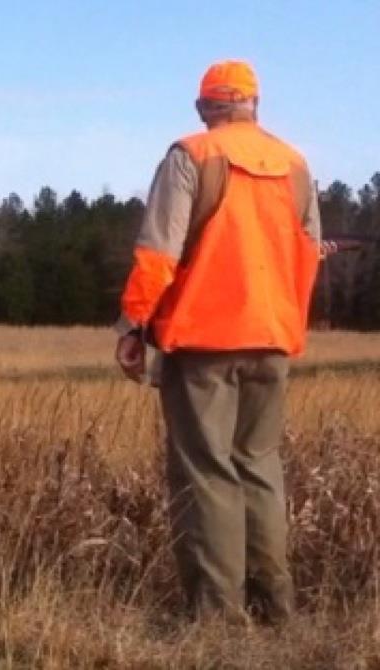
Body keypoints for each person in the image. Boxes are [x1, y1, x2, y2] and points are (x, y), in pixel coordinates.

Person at [114, 61, 321, 623]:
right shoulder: (295, 164)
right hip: (272, 338)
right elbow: (310, 256)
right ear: (255, 104)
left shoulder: (191, 155)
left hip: (202, 342)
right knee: (259, 464)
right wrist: (284, 323)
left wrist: (135, 325)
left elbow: (159, 253)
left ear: (205, 106)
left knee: (206, 471)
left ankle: (217, 618)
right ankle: (275, 608)